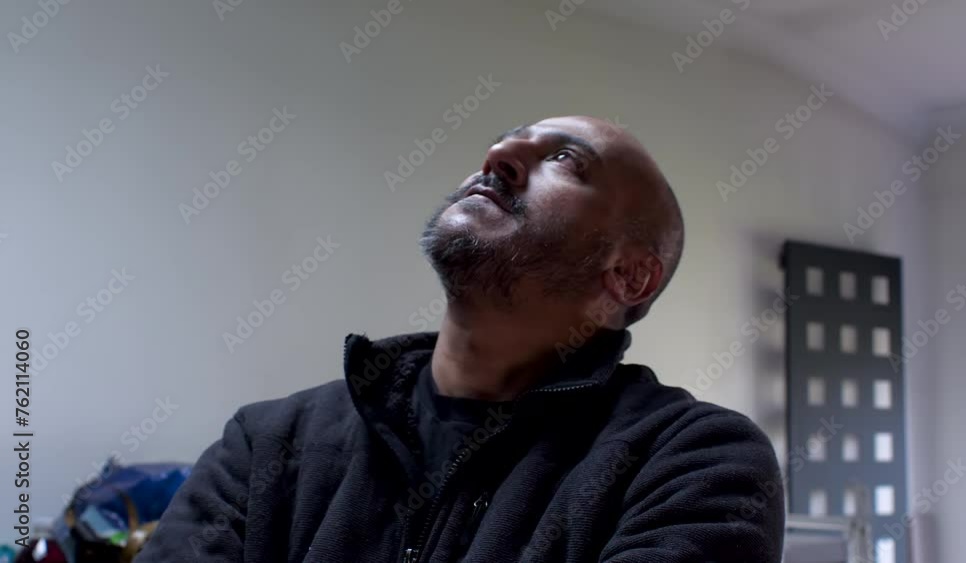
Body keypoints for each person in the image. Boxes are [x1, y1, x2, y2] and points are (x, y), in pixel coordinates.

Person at [136, 116, 785, 562]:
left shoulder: (696, 462)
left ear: (630, 274)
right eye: (505, 142)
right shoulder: (267, 443)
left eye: (565, 159)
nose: (497, 159)